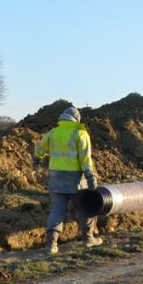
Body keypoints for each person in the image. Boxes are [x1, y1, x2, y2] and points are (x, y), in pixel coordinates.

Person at [34, 106, 103, 254]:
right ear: (77, 119)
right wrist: (90, 177)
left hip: (55, 178)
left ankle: (51, 245)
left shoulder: (53, 132)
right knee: (84, 208)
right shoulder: (80, 133)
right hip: (75, 179)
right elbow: (85, 159)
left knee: (57, 210)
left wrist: (38, 158)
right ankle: (88, 240)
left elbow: (39, 149)